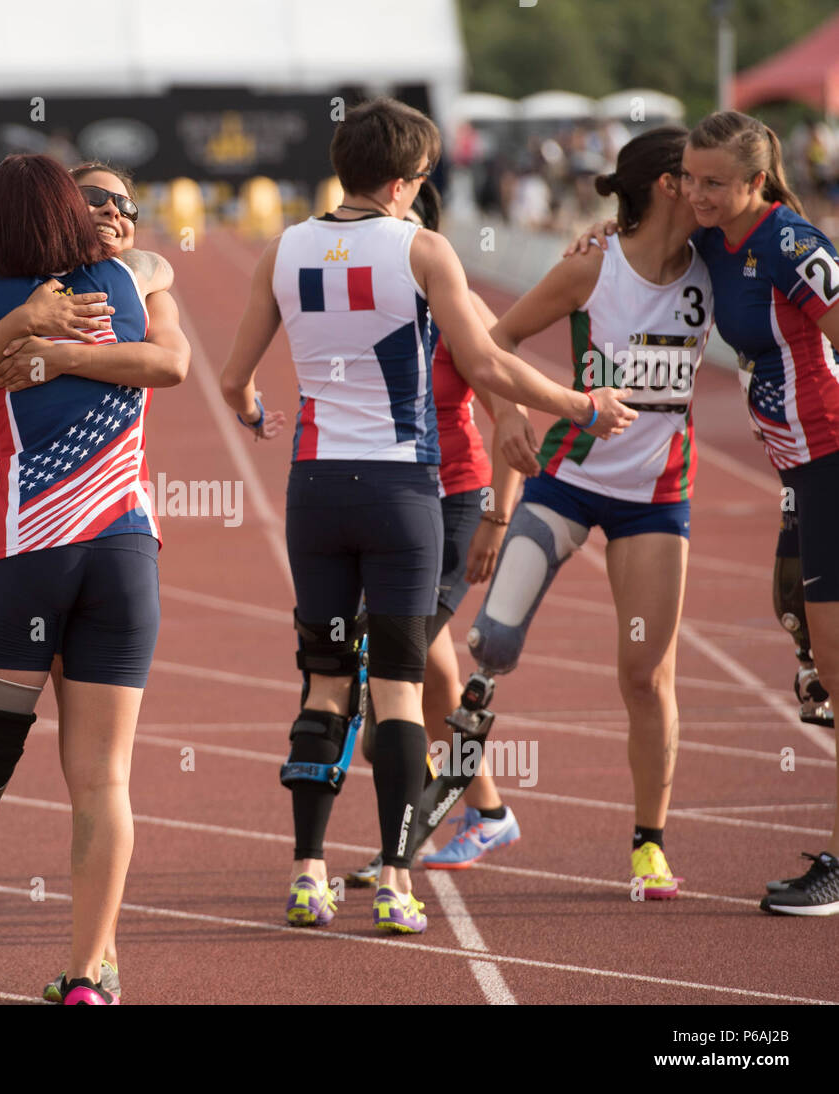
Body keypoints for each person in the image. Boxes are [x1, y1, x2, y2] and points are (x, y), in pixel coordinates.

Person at [218, 97, 635, 934]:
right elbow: (487, 363)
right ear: (409, 181)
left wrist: (255, 406)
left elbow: (234, 379)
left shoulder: (284, 250)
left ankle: (307, 874)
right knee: (401, 691)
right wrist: (580, 404)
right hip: (405, 491)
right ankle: (399, 884)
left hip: (315, 488)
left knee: (325, 682)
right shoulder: (422, 248)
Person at [0, 153, 187, 1005]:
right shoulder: (135, 284)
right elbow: (170, 357)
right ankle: (88, 975)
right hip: (125, 554)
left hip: (22, 553)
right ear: (70, 208)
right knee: (103, 780)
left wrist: (39, 343)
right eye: (101, 201)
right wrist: (41, 326)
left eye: (128, 203)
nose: (118, 214)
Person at [569, 112, 839, 915]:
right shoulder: (718, 241)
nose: (697, 193)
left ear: (757, 183)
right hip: (798, 472)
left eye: (716, 182)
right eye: (690, 178)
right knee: (815, 660)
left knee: (834, 670)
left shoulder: (792, 247)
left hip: (831, 462)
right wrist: (600, 238)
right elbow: (641, 241)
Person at [440, 126, 714, 899]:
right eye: (696, 178)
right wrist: (506, 417)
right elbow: (489, 342)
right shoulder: (593, 268)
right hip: (567, 479)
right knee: (490, 643)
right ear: (668, 185)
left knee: (645, 674)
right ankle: (470, 809)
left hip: (659, 497)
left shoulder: (718, 264)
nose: (707, 191)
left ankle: (648, 843)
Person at [348, 182, 528, 886]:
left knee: (396, 676)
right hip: (389, 505)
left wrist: (496, 518)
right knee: (432, 671)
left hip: (455, 502)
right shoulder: (362, 310)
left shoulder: (458, 313)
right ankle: (485, 810)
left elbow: (512, 420)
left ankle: (413, 830)